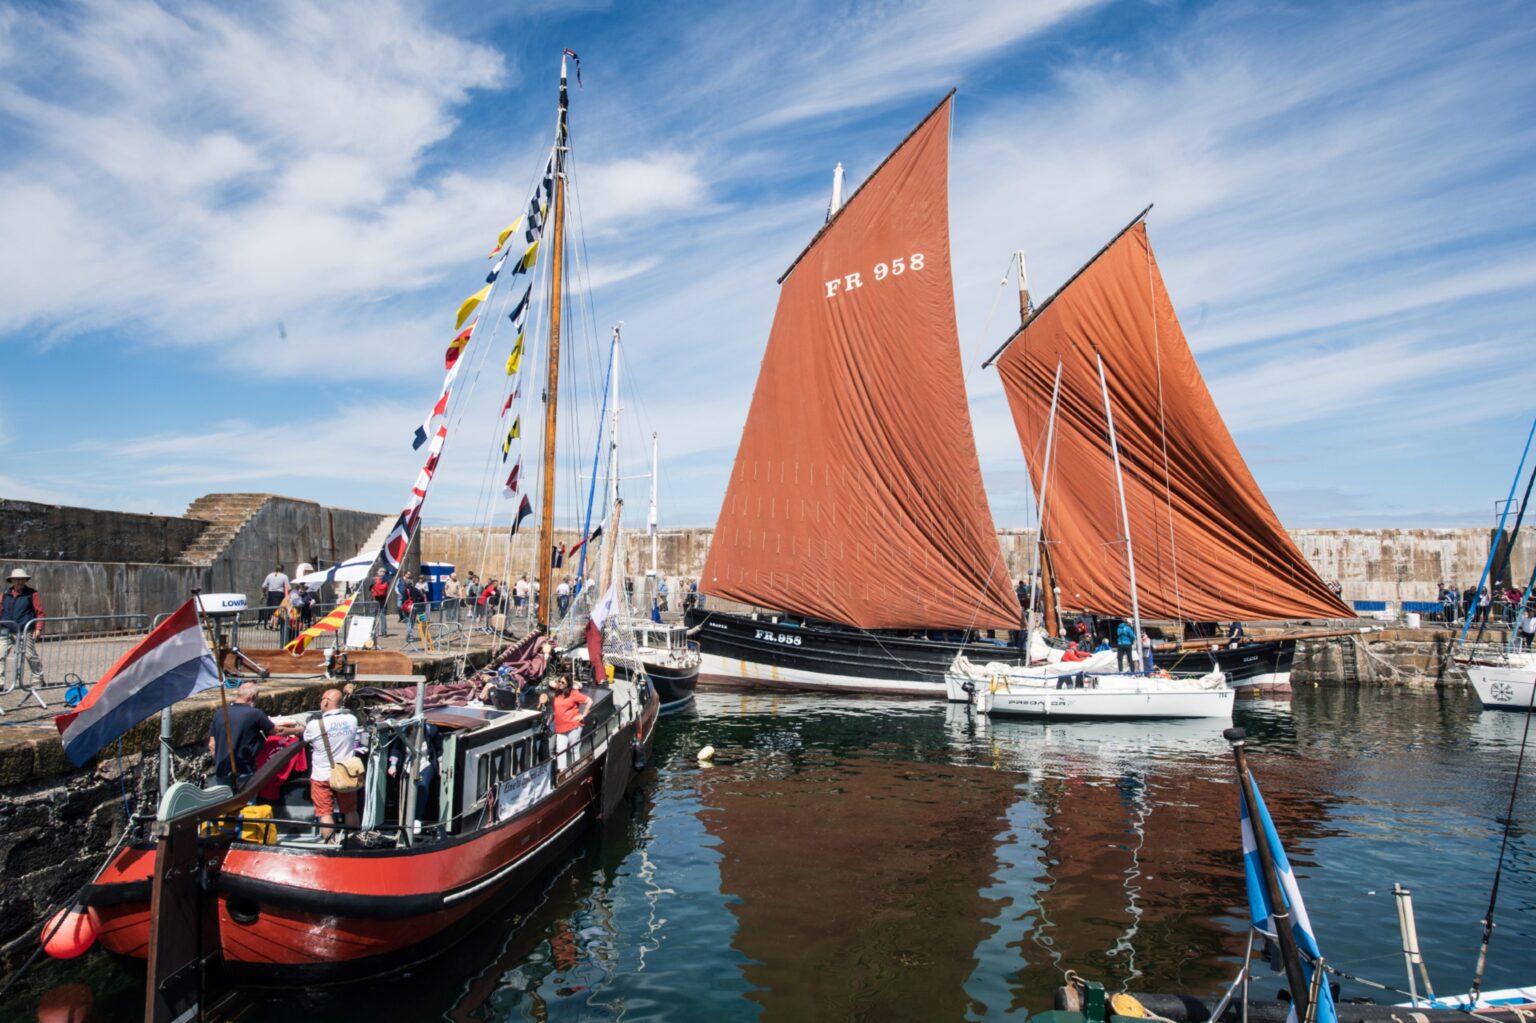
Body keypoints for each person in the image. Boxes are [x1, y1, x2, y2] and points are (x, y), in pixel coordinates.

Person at [278, 689, 360, 842]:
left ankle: (330, 843)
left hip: (322, 777)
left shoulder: (315, 725)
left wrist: (288, 730)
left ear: (326, 701)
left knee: (325, 813)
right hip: (346, 774)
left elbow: (306, 734)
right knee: (350, 810)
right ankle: (353, 841)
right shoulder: (352, 720)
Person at [207, 682, 274, 791]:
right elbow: (275, 731)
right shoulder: (255, 713)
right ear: (252, 697)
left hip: (222, 768)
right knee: (247, 806)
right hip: (244, 769)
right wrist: (297, 730)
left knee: (224, 804)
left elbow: (212, 744)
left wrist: (220, 759)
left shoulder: (220, 712)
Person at [1, 568, 46, 688]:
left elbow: (40, 612)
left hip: (25, 629)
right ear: (12, 580)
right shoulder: (5, 594)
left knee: (30, 655)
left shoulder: (32, 594)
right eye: (17, 579)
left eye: (22, 579)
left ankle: (38, 679)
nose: (20, 581)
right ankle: (0, 683)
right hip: (5, 629)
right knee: (0, 655)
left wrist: (38, 628)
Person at [548, 675, 590, 767]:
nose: (560, 684)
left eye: (563, 682)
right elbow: (550, 682)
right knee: (560, 750)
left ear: (568, 684)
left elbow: (589, 701)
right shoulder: (558, 690)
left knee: (574, 749)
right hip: (560, 727)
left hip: (573, 726)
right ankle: (562, 771)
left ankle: (576, 768)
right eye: (559, 681)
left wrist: (583, 715)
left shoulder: (574, 693)